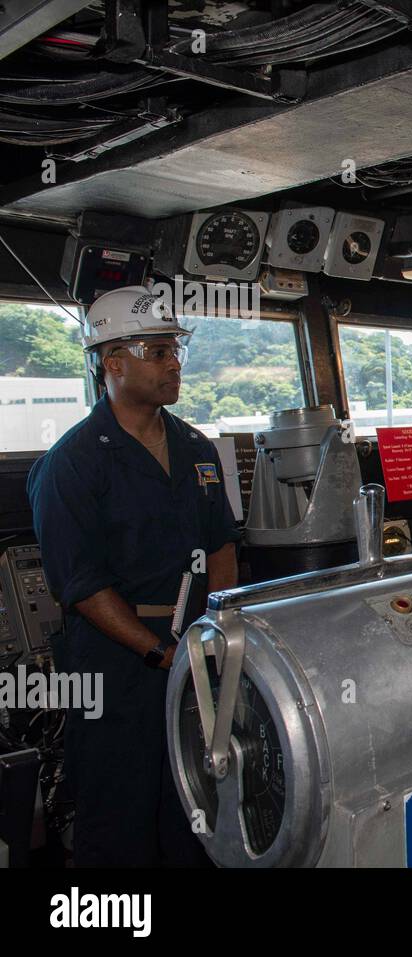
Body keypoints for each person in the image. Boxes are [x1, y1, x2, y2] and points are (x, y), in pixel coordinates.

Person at [28, 285, 240, 866]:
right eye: (158, 350)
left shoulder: (195, 446)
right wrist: (157, 652)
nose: (173, 362)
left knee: (195, 810)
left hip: (192, 654)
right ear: (112, 363)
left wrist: (213, 630)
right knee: (116, 822)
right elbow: (81, 585)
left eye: (176, 349)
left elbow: (220, 544)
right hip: (113, 667)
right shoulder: (72, 463)